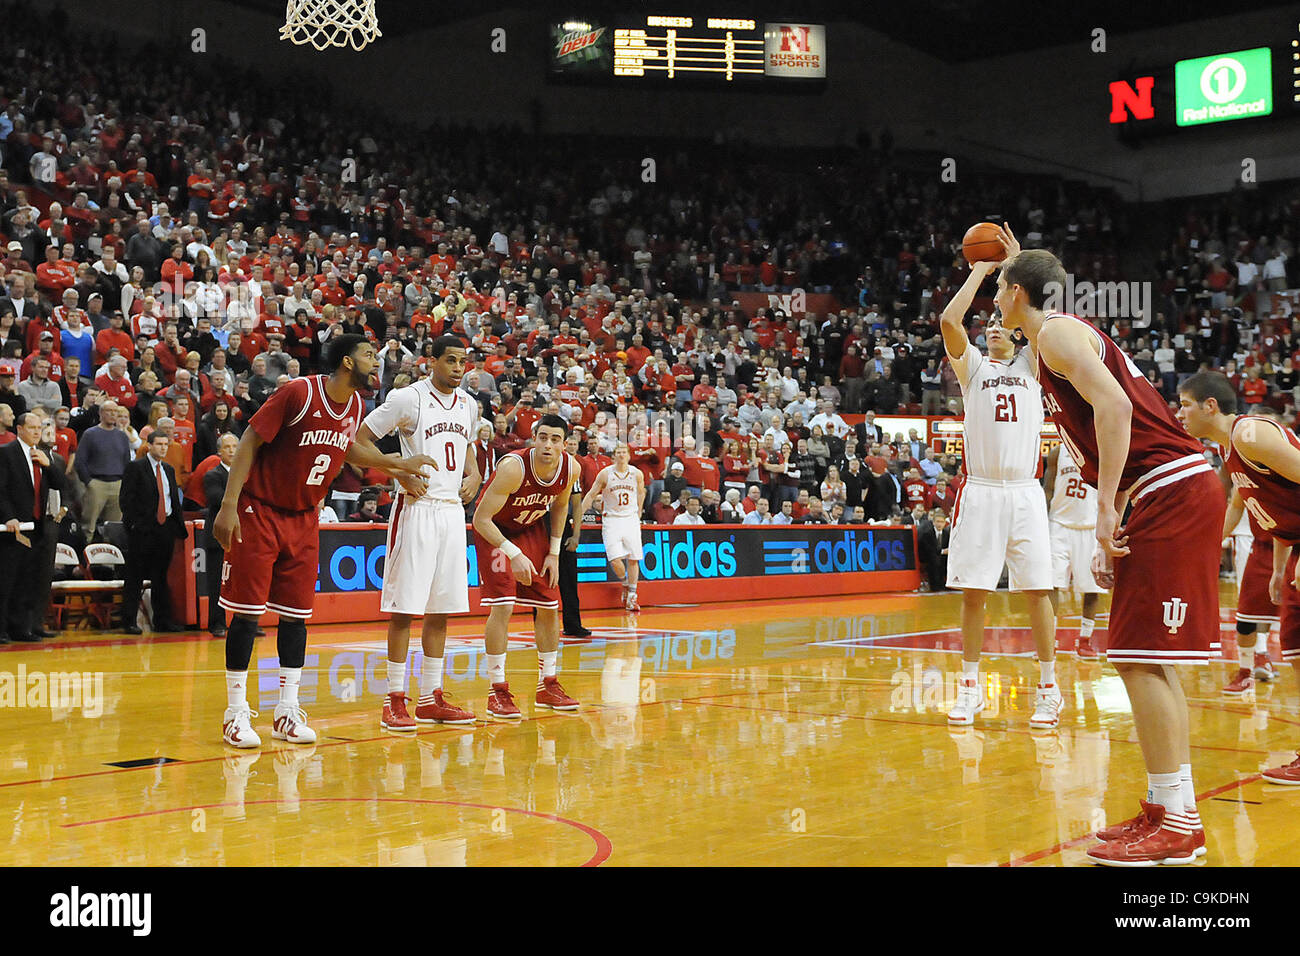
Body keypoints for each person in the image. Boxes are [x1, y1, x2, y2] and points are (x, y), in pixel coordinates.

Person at [1001, 237, 1222, 866]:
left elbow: (1117, 407)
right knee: (1148, 659)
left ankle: (1179, 823)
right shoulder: (1053, 341)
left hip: (1170, 488)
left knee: (1138, 658)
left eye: (999, 288)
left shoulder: (1056, 334)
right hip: (1165, 490)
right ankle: (1168, 806)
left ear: (1018, 294)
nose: (995, 298)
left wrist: (1102, 508)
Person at [212, 334, 435, 749]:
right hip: (259, 511)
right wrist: (228, 504)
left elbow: (346, 449)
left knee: (296, 619)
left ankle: (287, 710)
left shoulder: (353, 405)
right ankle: (236, 713)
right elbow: (250, 440)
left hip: (304, 518)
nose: (376, 362)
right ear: (347, 362)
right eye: (370, 355)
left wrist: (395, 465)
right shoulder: (299, 392)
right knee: (246, 616)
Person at [940, 255, 1058, 731]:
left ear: (1016, 332)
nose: (992, 327)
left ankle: (1049, 689)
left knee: (1037, 591)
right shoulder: (972, 369)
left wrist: (1016, 264)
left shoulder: (1033, 362)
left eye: (999, 323)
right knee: (974, 593)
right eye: (986, 325)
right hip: (983, 491)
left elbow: (1044, 308)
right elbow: (950, 319)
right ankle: (970, 689)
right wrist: (982, 271)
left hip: (1026, 492)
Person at [1176, 372, 1300, 787]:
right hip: (1292, 546)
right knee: (1296, 649)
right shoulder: (1231, 450)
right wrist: (1281, 566)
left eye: (1185, 404)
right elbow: (1283, 508)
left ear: (1211, 406)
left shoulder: (1248, 434)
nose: (1179, 413)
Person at [354, 335, 483, 731]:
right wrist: (398, 472)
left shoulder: (469, 404)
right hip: (416, 509)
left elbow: (468, 447)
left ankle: (430, 697)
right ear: (432, 362)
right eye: (451, 360)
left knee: (440, 609)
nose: (458, 368)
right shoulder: (409, 398)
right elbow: (358, 441)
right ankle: (393, 700)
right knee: (404, 607)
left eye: (463, 361)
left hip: (451, 513)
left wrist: (475, 475)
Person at [471, 415, 582, 718]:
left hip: (531, 529)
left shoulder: (571, 468)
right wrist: (512, 553)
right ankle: (497, 691)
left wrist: (554, 553)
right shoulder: (513, 467)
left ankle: (548, 684)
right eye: (542, 437)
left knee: (549, 606)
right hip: (494, 531)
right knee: (503, 606)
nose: (548, 444)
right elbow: (479, 519)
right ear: (534, 438)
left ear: (565, 443)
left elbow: (560, 507)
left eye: (555, 439)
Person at [0, 413, 63, 642]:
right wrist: (9, 517)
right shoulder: (6, 453)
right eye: (32, 427)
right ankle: (2, 629)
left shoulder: (43, 455)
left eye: (40, 427)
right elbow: (1, 490)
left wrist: (48, 466)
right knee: (7, 580)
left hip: (37, 527)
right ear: (20, 429)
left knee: (29, 580)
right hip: (14, 528)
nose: (37, 432)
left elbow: (59, 484)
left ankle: (21, 628)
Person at [118, 429, 187, 634]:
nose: (163, 448)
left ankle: (163, 621)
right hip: (142, 530)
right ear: (149, 445)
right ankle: (129, 620)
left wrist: (175, 526)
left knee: (161, 577)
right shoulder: (135, 467)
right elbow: (126, 499)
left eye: (166, 444)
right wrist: (134, 525)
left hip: (164, 529)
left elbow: (172, 500)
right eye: (159, 444)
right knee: (135, 576)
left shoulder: (168, 469)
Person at [1043, 441, 1107, 659]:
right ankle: (1047, 641)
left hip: (1090, 526)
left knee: (1092, 587)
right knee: (1051, 582)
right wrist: (1042, 520)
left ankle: (1085, 641)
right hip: (1058, 524)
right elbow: (1048, 489)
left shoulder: (1101, 450)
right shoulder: (1057, 452)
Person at [579, 443, 647, 613]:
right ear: (614, 456)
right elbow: (592, 494)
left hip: (630, 519)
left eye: (624, 452)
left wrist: (638, 512)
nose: (622, 455)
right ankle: (625, 582)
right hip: (612, 520)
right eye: (618, 452)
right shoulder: (605, 474)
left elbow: (641, 492)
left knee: (633, 558)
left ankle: (632, 596)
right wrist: (579, 513)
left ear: (629, 456)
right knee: (615, 560)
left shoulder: (636, 473)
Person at [202, 433, 239, 638]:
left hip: (242, 536)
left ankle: (244, 622)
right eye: (227, 447)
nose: (232, 451)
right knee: (217, 582)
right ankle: (217, 623)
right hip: (218, 537)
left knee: (244, 582)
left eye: (235, 446)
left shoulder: (246, 474)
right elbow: (218, 499)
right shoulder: (212, 475)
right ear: (219, 451)